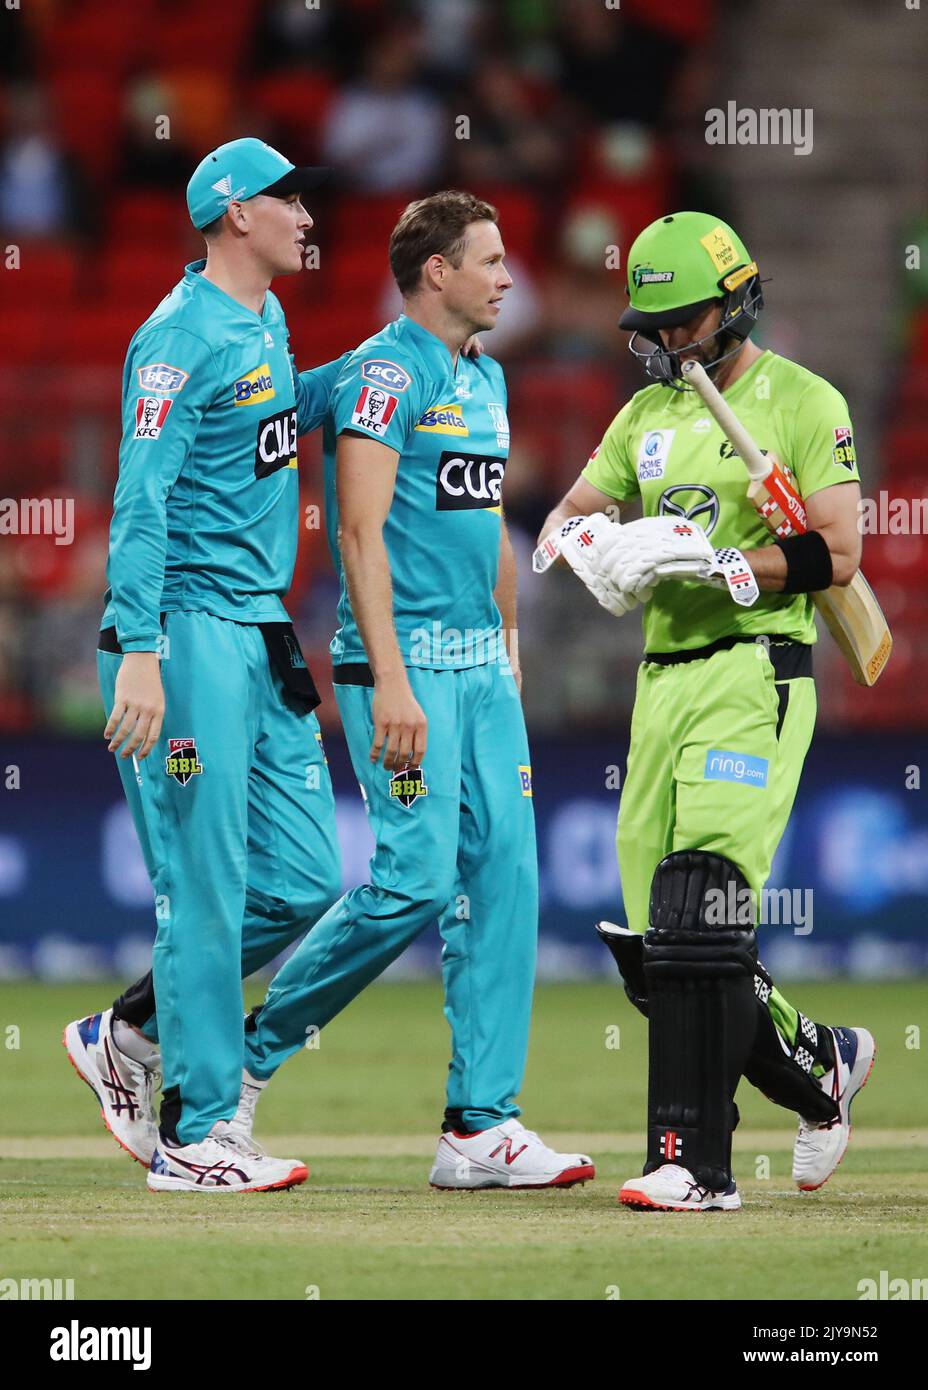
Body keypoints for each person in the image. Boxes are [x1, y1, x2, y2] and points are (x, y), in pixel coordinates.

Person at [227, 191, 595, 1191]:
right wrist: (390, 678)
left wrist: (510, 644)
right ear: (437, 273)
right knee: (417, 880)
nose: (509, 277)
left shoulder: (487, 378)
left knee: (506, 880)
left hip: (483, 667)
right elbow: (356, 533)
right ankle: (243, 1060)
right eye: (489, 260)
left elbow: (487, 528)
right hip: (404, 665)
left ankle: (481, 1125)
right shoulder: (387, 375)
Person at [539, 211, 875, 1211]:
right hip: (663, 682)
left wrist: (721, 559)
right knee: (655, 952)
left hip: (754, 668)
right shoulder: (641, 419)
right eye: (651, 322)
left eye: (681, 322)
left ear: (733, 305)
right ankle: (817, 1063)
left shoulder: (804, 403)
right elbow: (566, 517)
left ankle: (694, 1162)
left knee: (697, 907)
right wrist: (599, 546)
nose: (663, 341)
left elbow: (837, 555)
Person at [64, 138, 352, 1194]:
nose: (308, 218)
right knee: (206, 888)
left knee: (308, 877)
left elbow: (270, 422)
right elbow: (140, 500)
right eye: (291, 202)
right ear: (236, 214)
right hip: (181, 633)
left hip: (255, 629)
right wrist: (138, 647)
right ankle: (193, 1138)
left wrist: (356, 373)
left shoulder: (265, 321)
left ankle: (130, 1032)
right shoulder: (177, 341)